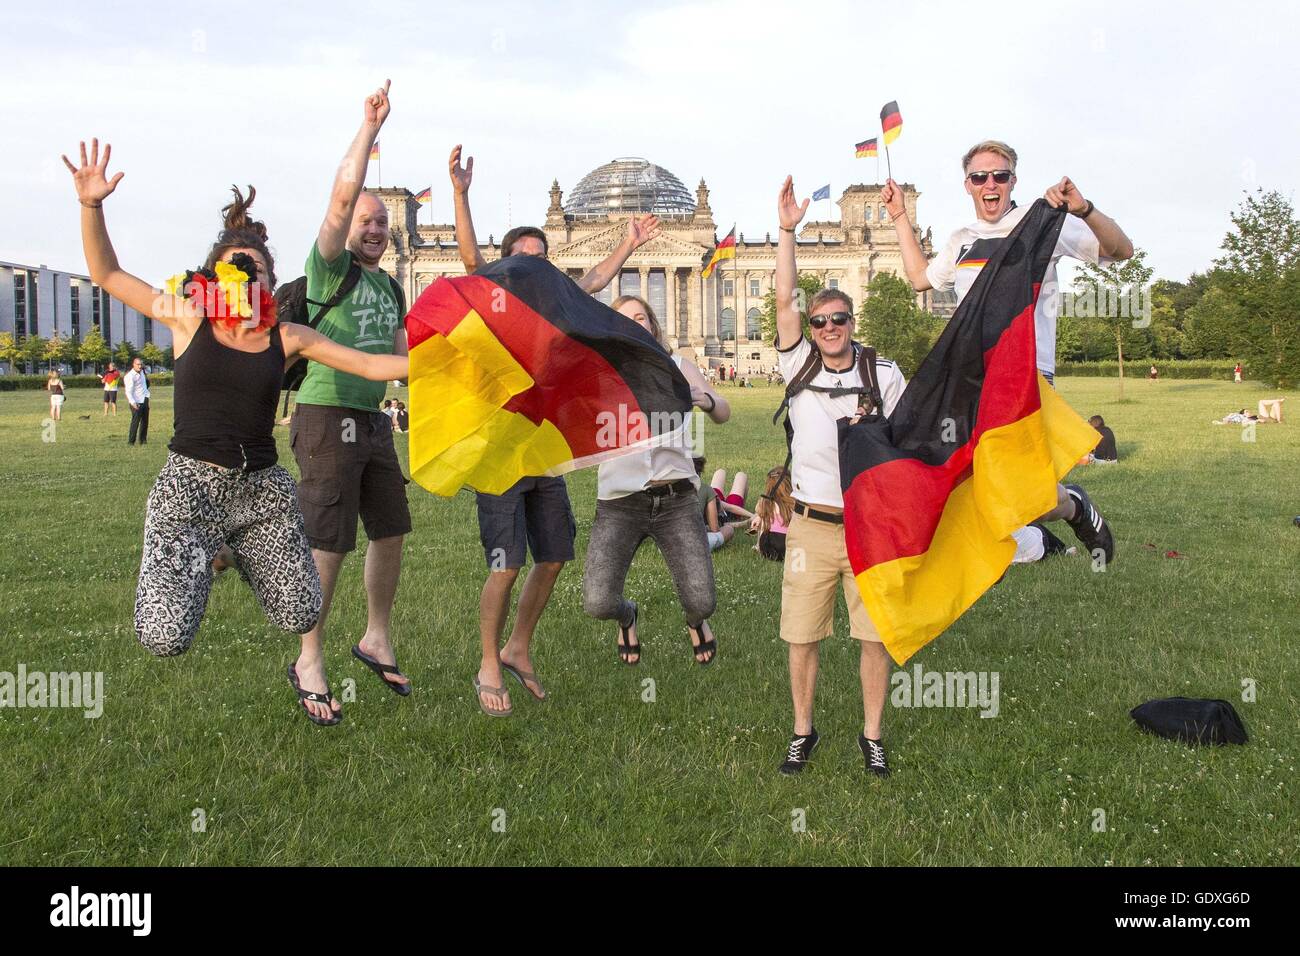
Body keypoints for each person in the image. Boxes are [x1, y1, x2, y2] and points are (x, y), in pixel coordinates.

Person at [62, 137, 408, 726]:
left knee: (303, 612)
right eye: (236, 270)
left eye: (260, 273)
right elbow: (107, 271)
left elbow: (377, 366)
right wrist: (92, 206)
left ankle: (236, 548)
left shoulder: (288, 336)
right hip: (190, 487)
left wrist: (452, 359)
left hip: (262, 490)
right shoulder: (185, 316)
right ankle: (207, 550)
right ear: (213, 278)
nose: (249, 282)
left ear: (273, 284)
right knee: (163, 636)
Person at [449, 143, 663, 716]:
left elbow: (590, 278)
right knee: (506, 563)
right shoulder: (493, 302)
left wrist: (628, 244)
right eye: (526, 261)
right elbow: (471, 261)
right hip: (500, 450)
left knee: (554, 555)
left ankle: (519, 647)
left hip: (543, 448)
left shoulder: (553, 305)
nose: (536, 270)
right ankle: (489, 660)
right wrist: (461, 195)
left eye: (543, 261)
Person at [883, 139, 1134, 565]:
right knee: (977, 479)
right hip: (971, 378)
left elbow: (1122, 252)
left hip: (1027, 374)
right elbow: (920, 278)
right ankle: (1026, 539)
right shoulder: (961, 239)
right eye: (980, 177)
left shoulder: (1040, 224)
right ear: (968, 185)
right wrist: (900, 217)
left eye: (999, 175)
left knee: (1022, 491)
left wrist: (1085, 209)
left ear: (1013, 180)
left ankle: (1072, 507)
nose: (990, 184)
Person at [773, 177, 907, 778]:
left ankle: (871, 734)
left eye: (839, 318)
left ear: (852, 321)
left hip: (871, 527)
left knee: (873, 636)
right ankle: (803, 730)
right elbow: (782, 302)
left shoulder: (884, 371)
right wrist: (785, 232)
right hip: (810, 526)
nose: (829, 327)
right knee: (802, 635)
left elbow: (913, 444)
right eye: (820, 319)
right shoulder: (797, 362)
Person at [291, 80, 416, 709]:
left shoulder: (391, 288)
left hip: (370, 420)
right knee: (328, 538)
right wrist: (367, 130)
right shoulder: (329, 267)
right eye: (368, 219)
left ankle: (375, 638)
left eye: (383, 223)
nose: (375, 229)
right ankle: (308, 657)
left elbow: (405, 361)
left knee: (390, 528)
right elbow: (342, 197)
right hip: (324, 411)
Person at [583, 294, 730, 667]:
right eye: (624, 319)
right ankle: (626, 615)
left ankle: (697, 623)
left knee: (702, 601)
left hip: (676, 498)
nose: (634, 324)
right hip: (620, 501)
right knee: (597, 602)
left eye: (640, 317)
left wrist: (706, 400)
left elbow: (723, 411)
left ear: (652, 323)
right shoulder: (600, 373)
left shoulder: (679, 365)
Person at [750, 466, 793, 561]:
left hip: (767, 547)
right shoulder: (794, 503)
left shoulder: (765, 502)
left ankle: (758, 546)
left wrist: (759, 517)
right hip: (788, 547)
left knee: (763, 519)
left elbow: (758, 511)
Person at [123, 356, 150, 445]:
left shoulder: (142, 372)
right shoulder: (130, 376)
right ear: (133, 365)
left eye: (141, 364)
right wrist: (133, 403)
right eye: (138, 364)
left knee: (145, 421)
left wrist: (147, 396)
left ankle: (143, 440)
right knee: (135, 422)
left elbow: (145, 383)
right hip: (136, 401)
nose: (140, 366)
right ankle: (131, 441)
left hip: (144, 398)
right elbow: (128, 391)